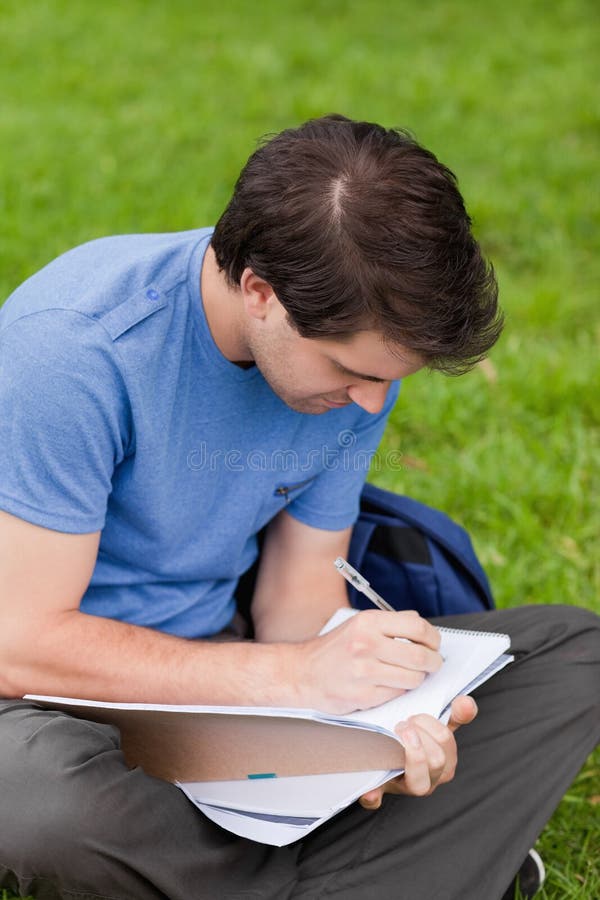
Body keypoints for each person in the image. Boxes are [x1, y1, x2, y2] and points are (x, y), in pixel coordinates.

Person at [0, 114, 597, 900]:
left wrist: (377, 730)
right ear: (260, 291)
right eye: (351, 370)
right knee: (45, 806)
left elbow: (298, 594)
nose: (372, 402)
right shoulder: (78, 352)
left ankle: (302, 863)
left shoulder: (355, 372)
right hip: (56, 705)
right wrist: (288, 679)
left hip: (230, 675)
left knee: (570, 652)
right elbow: (23, 644)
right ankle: (404, 866)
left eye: (392, 379)